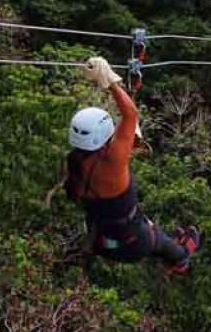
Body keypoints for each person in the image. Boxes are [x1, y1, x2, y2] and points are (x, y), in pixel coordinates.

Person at [65, 56, 200, 274]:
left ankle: (169, 248)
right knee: (156, 239)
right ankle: (181, 261)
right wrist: (110, 82)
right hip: (133, 242)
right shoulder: (112, 161)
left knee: (145, 229)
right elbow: (130, 115)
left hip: (101, 241)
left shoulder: (73, 164)